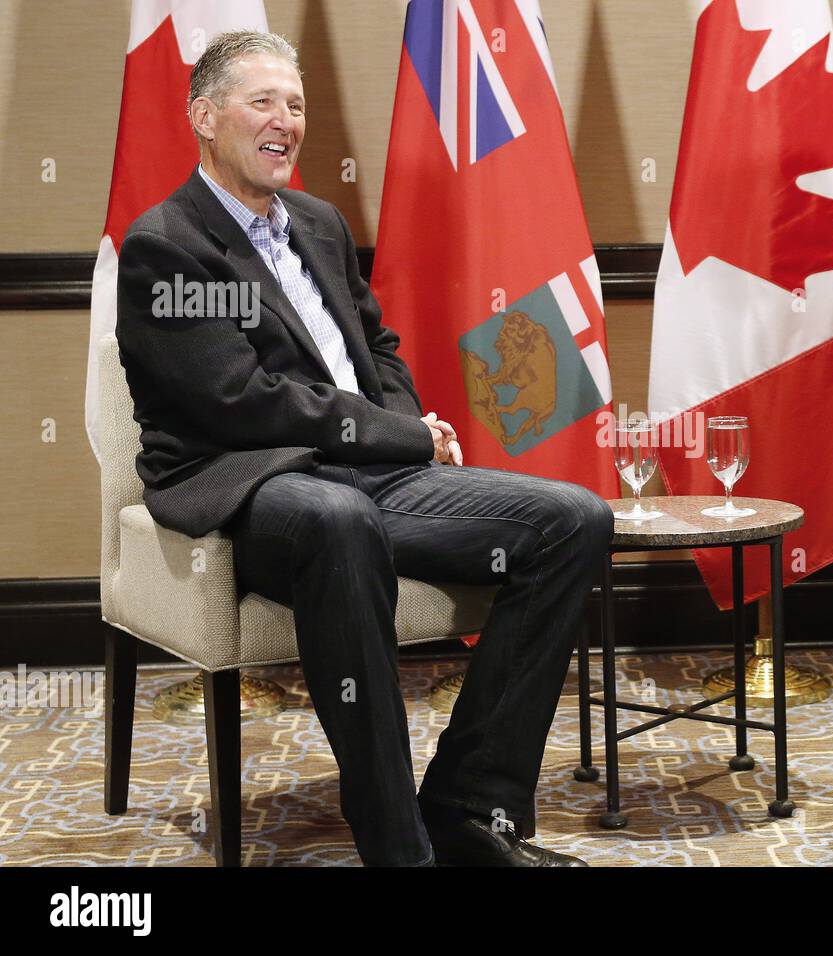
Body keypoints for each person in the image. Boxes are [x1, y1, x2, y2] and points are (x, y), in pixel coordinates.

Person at [114, 30, 613, 867]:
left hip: (370, 473)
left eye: (297, 104)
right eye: (263, 101)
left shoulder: (319, 221)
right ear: (204, 116)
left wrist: (404, 431)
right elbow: (240, 400)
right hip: (246, 480)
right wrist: (401, 432)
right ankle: (397, 846)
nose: (287, 120)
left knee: (574, 520)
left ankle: (467, 804)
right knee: (339, 519)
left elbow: (376, 348)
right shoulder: (167, 245)